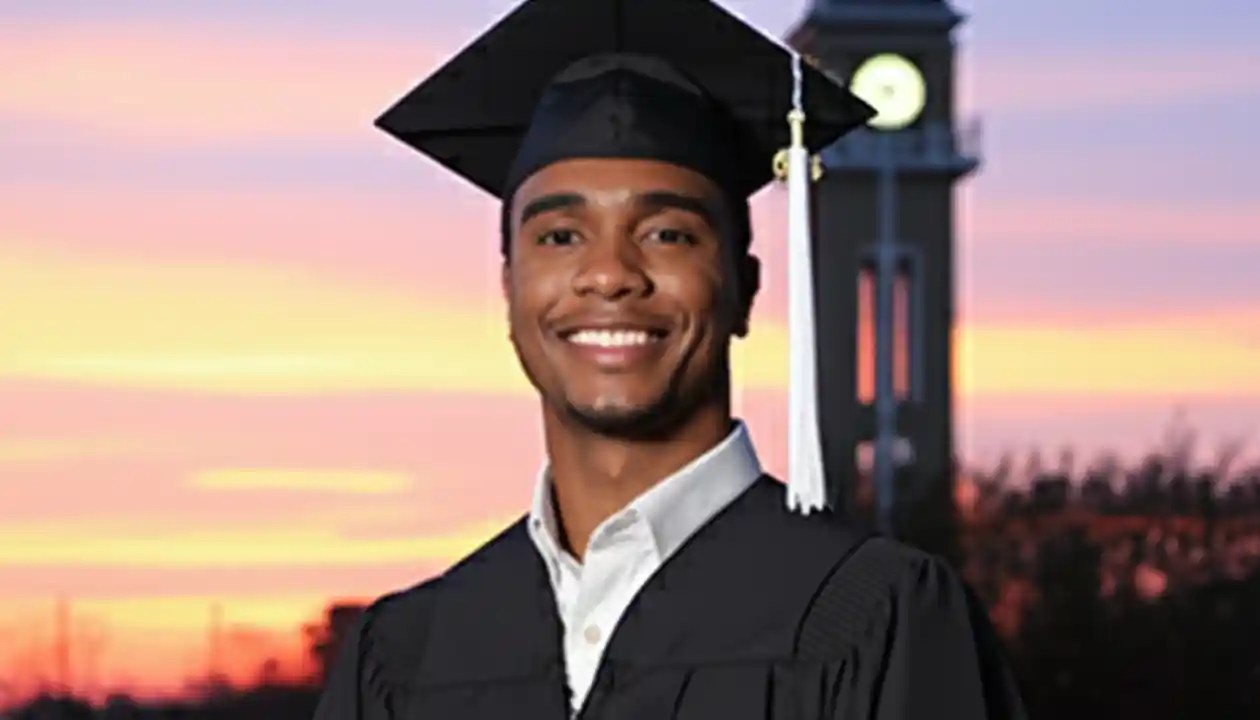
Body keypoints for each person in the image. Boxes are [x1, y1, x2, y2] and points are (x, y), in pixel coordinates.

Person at [313, 0, 1027, 717]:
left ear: (744, 290)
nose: (611, 273)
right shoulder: (406, 654)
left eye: (667, 234)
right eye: (561, 237)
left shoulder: (877, 618)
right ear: (508, 289)